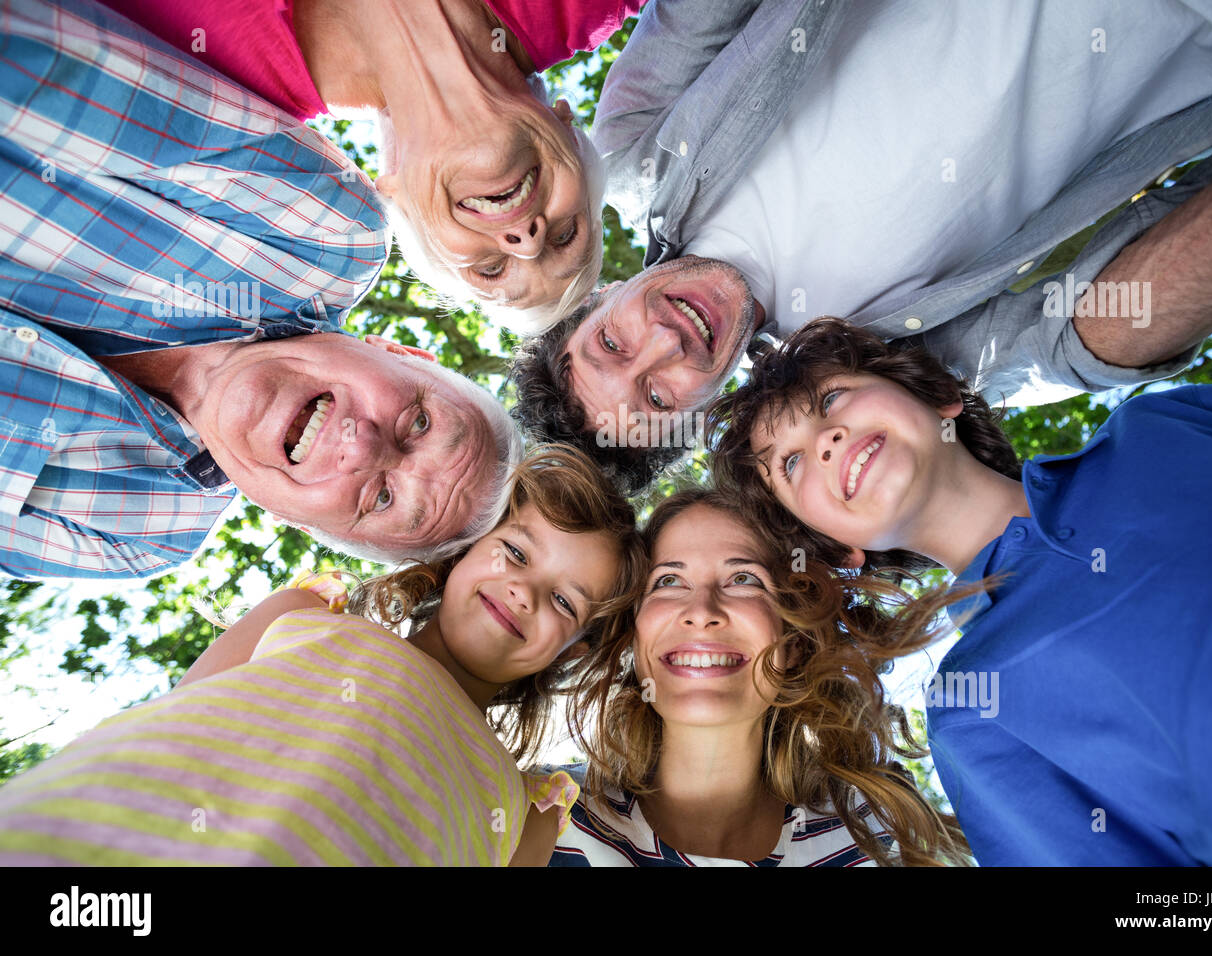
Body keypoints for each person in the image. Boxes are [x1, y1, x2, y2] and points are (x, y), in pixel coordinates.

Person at [509, 0, 1212, 492]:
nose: (663, 341)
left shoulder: (639, 140)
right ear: (707, 414)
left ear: (596, 297)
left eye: (611, 342)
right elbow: (1071, 342)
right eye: (656, 398)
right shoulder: (873, 366)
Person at [704, 317, 1212, 865]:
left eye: (831, 399)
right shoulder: (971, 715)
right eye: (790, 463)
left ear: (939, 397)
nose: (826, 440)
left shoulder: (1163, 429)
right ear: (835, 549)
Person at [0, 0, 522, 579]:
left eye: (380, 500)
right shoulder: (323, 234)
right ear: (398, 351)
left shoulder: (140, 537)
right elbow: (39, 67)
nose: (366, 447)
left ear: (304, 525)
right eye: (419, 424)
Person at [0, 444, 647, 866]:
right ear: (467, 545)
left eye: (564, 602)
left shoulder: (529, 812)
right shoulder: (304, 612)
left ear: (572, 651)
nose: (523, 591)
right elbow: (179, 706)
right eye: (516, 551)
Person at [101, 0, 646, 331]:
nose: (526, 242)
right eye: (566, 235)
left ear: (396, 199)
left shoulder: (218, 74)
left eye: (490, 271)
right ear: (569, 129)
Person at [546, 489, 970, 867]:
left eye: (743, 579)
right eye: (669, 581)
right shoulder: (543, 815)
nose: (702, 610)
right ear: (634, 637)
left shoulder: (876, 835)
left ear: (795, 641)